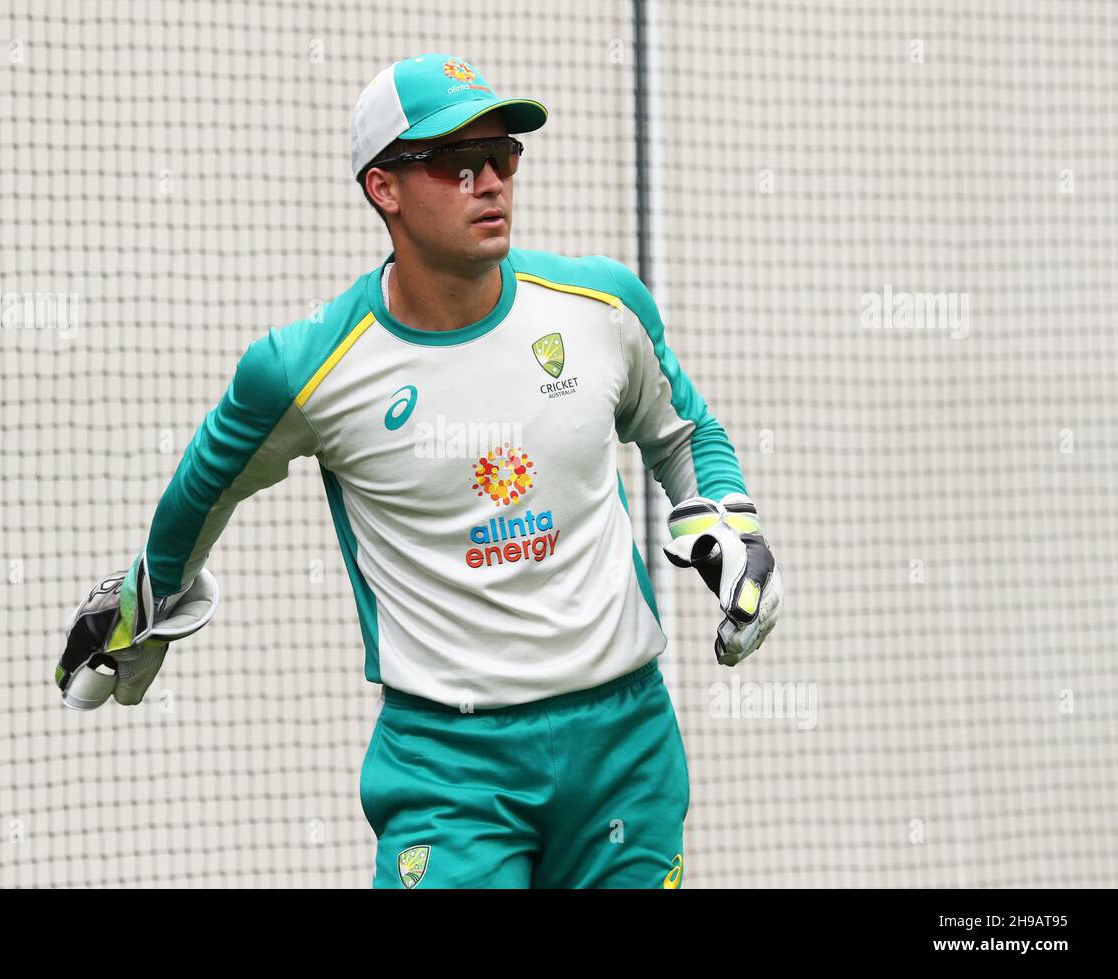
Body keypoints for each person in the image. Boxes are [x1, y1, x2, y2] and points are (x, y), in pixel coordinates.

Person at [55, 53, 784, 889]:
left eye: (503, 155)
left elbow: (684, 434)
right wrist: (144, 601)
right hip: (447, 769)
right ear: (383, 188)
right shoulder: (302, 369)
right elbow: (202, 492)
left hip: (625, 745)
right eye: (453, 161)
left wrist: (731, 517)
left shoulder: (602, 307)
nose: (490, 181)